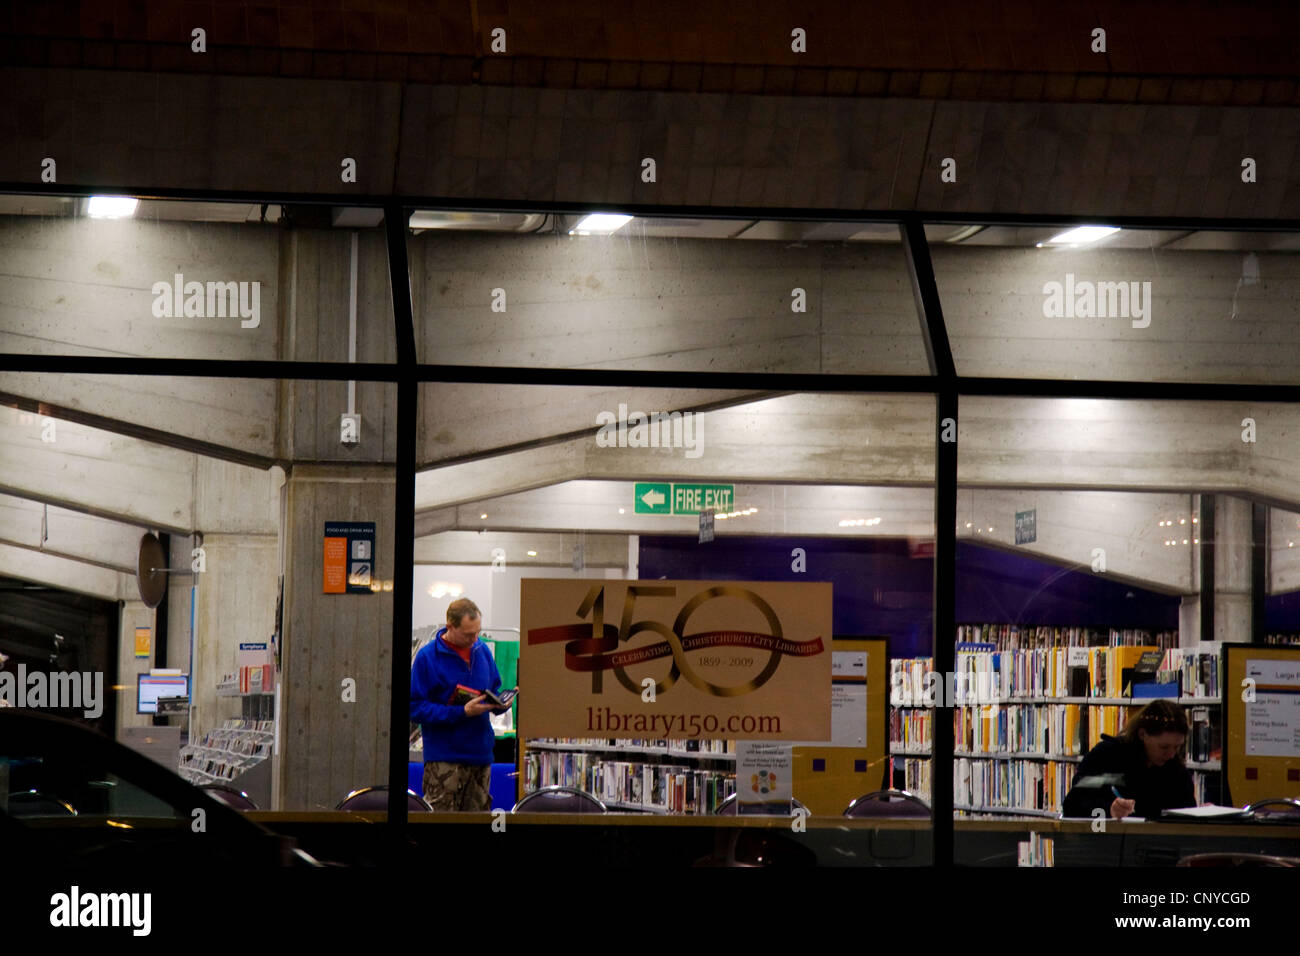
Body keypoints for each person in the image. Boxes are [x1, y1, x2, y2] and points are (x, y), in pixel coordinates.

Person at [410, 598, 503, 811]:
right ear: (450, 626)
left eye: (477, 632)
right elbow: (415, 708)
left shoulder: (482, 651)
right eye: (468, 634)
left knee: (478, 823)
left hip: (480, 755)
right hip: (444, 758)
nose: (475, 639)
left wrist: (500, 702)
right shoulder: (427, 658)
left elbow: (494, 688)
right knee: (442, 824)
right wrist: (461, 712)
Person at [1061, 698, 1196, 819]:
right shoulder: (1108, 756)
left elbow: (1186, 810)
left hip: (1160, 844)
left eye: (1177, 747)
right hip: (1107, 841)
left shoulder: (1175, 770)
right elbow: (1073, 805)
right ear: (1143, 734)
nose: (1171, 755)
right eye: (1164, 747)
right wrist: (1109, 809)